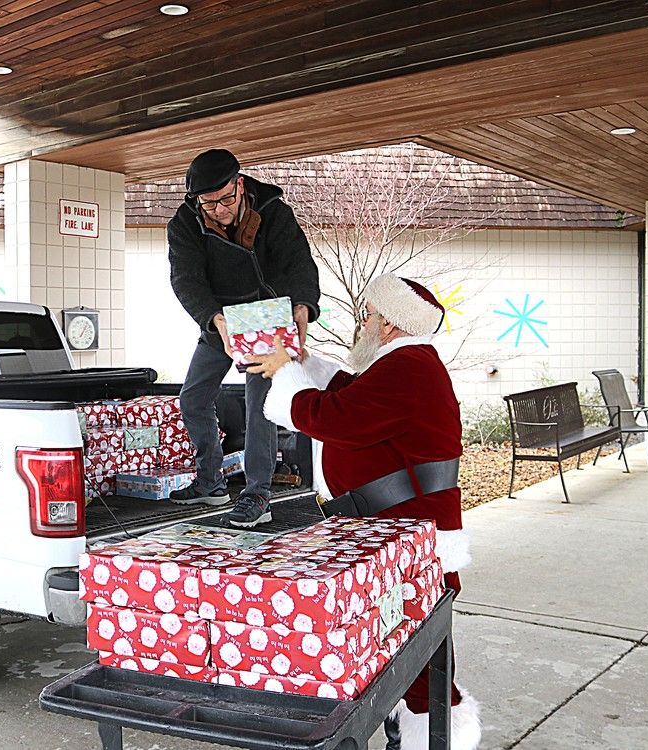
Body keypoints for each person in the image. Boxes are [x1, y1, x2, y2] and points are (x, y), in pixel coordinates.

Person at [248, 273, 481, 750]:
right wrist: (302, 363)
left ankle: (433, 738)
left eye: (369, 314)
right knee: (401, 644)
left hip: (406, 535)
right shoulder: (404, 364)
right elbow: (352, 390)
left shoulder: (410, 367)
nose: (363, 323)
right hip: (394, 530)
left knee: (414, 655)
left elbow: (338, 417)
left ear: (391, 324)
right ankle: (414, 733)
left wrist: (286, 375)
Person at [166, 148, 320, 528]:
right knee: (194, 397)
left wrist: (303, 304)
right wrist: (214, 320)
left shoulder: (273, 211)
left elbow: (299, 261)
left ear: (240, 184)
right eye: (208, 204)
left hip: (266, 317)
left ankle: (257, 493)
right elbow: (187, 280)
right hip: (221, 318)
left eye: (225, 200)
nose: (218, 210)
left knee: (258, 406)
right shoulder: (184, 223)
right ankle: (210, 481)